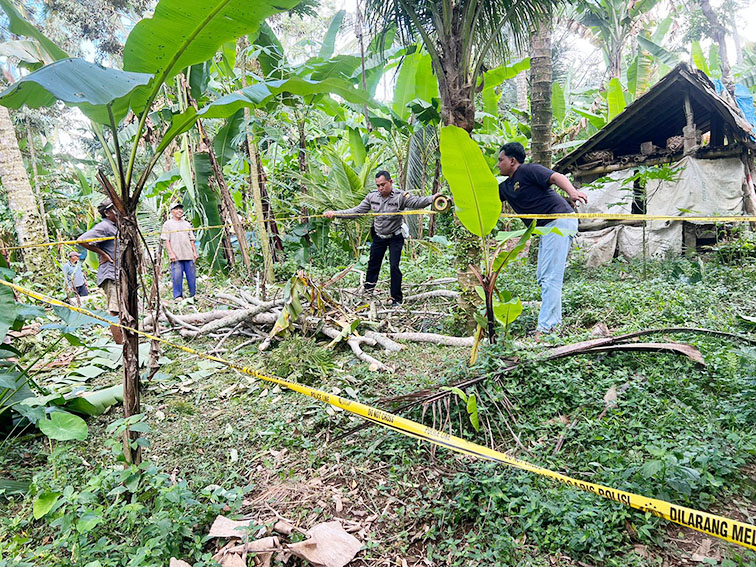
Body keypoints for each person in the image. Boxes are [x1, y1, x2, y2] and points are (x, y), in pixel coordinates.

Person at [497, 142, 588, 338]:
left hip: (560, 220)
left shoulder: (529, 170)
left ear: (512, 161)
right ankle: (552, 324)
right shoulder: (506, 187)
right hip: (548, 228)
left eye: (501, 160)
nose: (498, 164)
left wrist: (572, 192)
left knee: (550, 278)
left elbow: (556, 177)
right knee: (544, 277)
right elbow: (482, 198)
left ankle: (547, 329)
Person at [324, 171, 434, 306]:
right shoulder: (372, 197)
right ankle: (368, 294)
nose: (381, 188)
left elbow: (417, 202)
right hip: (378, 235)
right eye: (378, 185)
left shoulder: (401, 196)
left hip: (395, 236)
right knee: (373, 265)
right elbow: (356, 212)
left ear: (390, 182)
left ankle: (397, 300)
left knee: (394, 266)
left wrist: (433, 198)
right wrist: (335, 214)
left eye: (383, 184)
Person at [78, 198, 123, 344]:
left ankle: (126, 340)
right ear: (107, 213)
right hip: (111, 273)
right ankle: (120, 344)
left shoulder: (118, 226)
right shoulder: (104, 226)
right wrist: (103, 254)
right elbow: (82, 240)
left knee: (122, 309)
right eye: (114, 209)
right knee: (115, 311)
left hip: (120, 273)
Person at [161, 202, 198, 301]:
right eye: (177, 209)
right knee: (177, 276)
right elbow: (166, 240)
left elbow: (192, 239)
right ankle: (178, 296)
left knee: (192, 276)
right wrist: (171, 253)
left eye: (180, 209)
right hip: (176, 255)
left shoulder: (187, 224)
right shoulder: (167, 224)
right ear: (172, 211)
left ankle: (193, 295)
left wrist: (194, 252)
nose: (179, 211)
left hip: (188, 254)